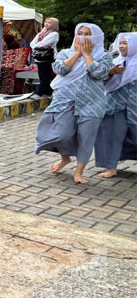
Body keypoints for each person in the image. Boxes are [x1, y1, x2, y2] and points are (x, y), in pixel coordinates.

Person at [34, 23, 112, 184]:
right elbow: (59, 69)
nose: (83, 37)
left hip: (92, 104)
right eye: (80, 33)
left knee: (86, 138)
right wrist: (77, 53)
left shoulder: (104, 56)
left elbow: (100, 73)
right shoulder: (65, 52)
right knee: (61, 134)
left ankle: (79, 171)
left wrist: (88, 55)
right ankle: (65, 158)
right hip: (65, 101)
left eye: (87, 34)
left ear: (96, 37)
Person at [94, 32, 137, 178]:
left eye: (126, 43)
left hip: (134, 107)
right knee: (112, 136)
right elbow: (101, 80)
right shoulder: (116, 61)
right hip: (115, 106)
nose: (122, 46)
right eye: (121, 43)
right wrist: (112, 72)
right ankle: (110, 167)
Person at [30, 18, 60, 98]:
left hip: (48, 57)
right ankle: (47, 91)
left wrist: (37, 45)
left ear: (54, 24)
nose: (46, 24)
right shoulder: (41, 33)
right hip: (39, 56)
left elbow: (43, 43)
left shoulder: (54, 34)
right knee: (41, 74)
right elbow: (32, 43)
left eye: (49, 23)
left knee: (45, 74)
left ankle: (40, 92)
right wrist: (37, 46)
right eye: (46, 22)